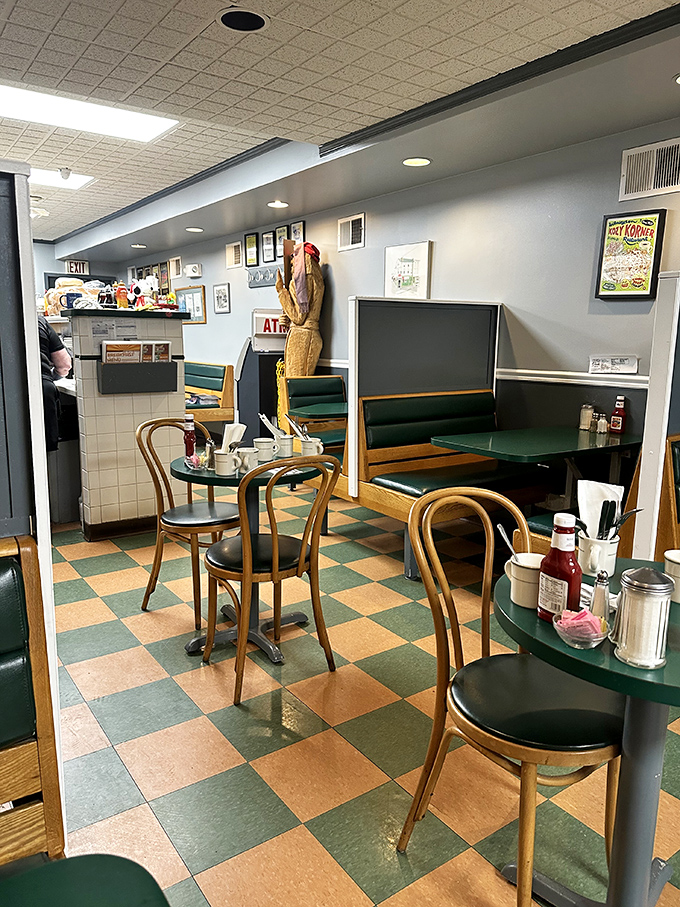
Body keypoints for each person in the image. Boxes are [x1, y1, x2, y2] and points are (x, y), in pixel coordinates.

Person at [38, 314, 71, 452]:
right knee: (44, 452)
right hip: (43, 390)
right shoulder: (39, 321)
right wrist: (52, 376)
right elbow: (64, 365)